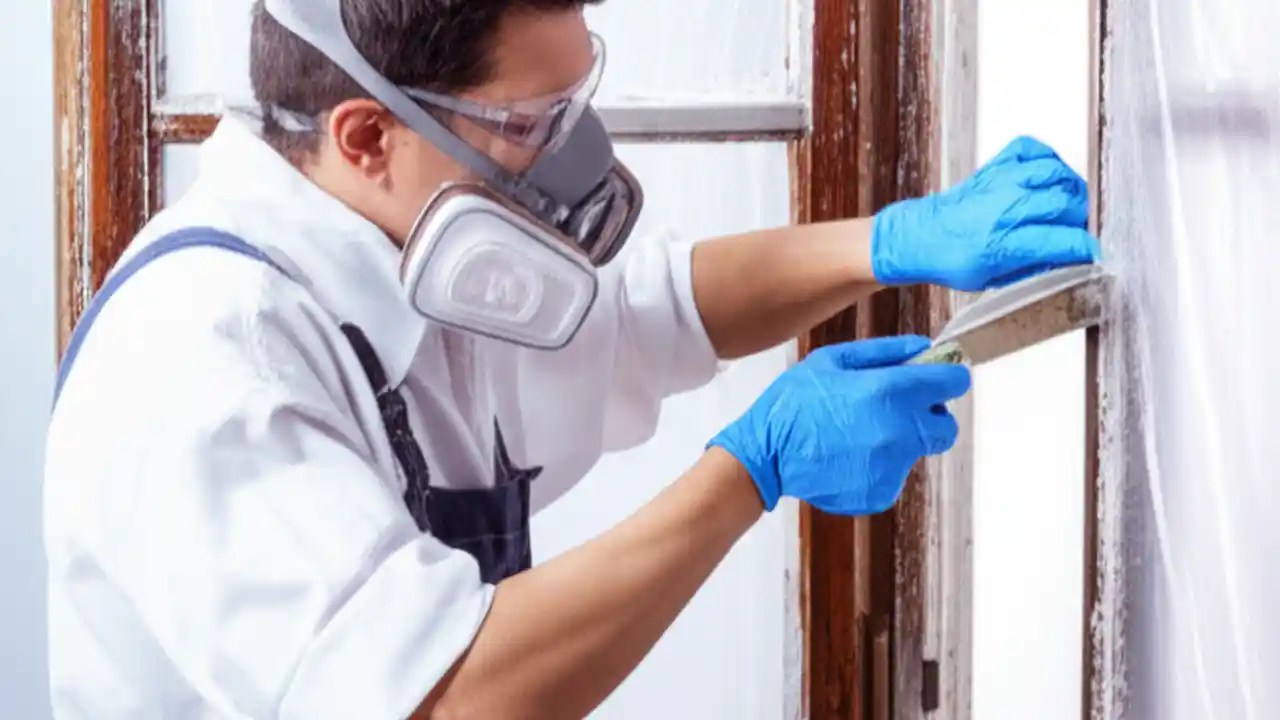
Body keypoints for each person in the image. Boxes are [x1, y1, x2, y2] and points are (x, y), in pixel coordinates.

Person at [43, 1, 1099, 718]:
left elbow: (644, 315)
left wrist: (888, 241)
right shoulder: (209, 361)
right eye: (530, 123)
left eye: (571, 106)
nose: (571, 158)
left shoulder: (406, 243)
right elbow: (445, 697)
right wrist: (749, 470)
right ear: (365, 135)